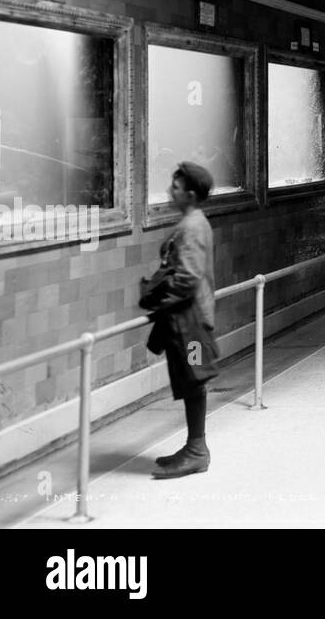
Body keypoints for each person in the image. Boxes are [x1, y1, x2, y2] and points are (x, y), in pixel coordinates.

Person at [140, 162, 219, 479]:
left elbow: (186, 278)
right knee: (190, 379)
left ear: (189, 194)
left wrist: (161, 302)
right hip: (187, 319)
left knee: (194, 378)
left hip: (191, 321)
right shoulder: (192, 222)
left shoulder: (192, 227)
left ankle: (197, 451)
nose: (169, 191)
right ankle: (193, 446)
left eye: (175, 187)